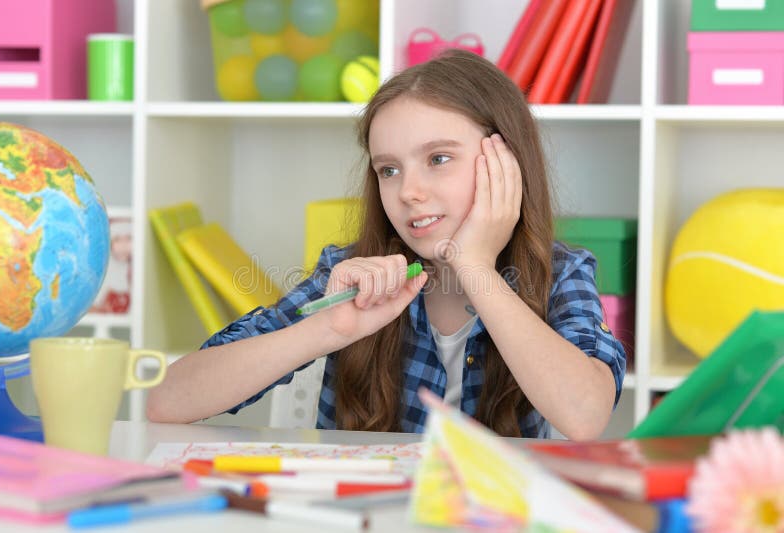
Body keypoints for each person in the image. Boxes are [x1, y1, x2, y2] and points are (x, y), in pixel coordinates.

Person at [146, 49, 626, 440]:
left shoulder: (560, 273)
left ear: (505, 163)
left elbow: (585, 416)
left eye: (438, 158)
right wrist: (328, 329)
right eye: (388, 169)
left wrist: (477, 267)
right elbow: (167, 399)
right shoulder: (351, 271)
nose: (408, 191)